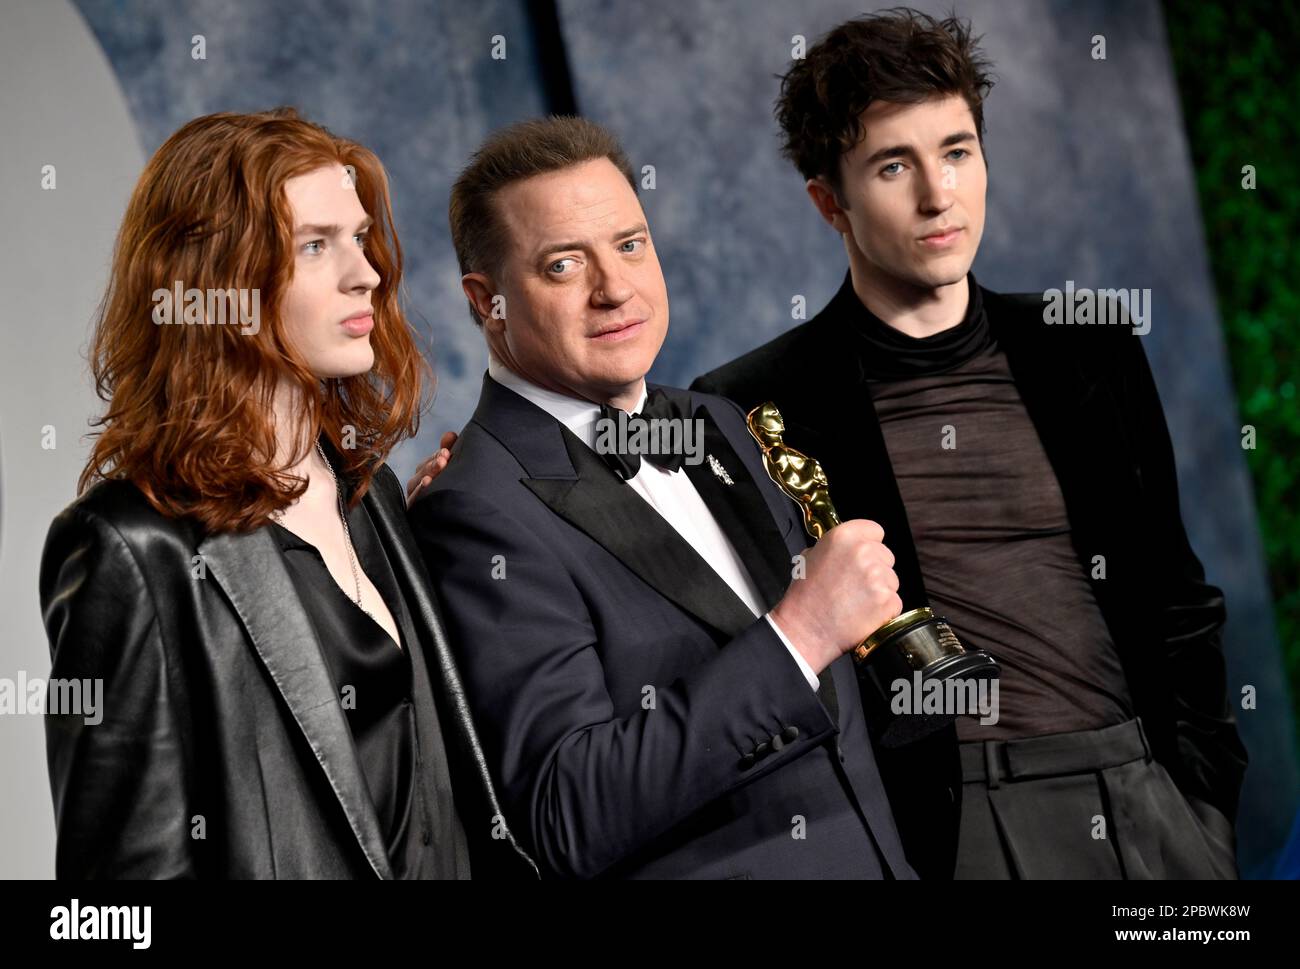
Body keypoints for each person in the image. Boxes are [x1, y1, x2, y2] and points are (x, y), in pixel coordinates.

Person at [691, 10, 1247, 879]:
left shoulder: (1091, 345)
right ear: (828, 201)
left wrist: (1205, 805)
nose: (937, 194)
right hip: (960, 825)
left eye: (956, 151)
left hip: (1149, 801)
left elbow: (1176, 598)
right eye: (892, 165)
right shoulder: (754, 404)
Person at [406, 116, 915, 879]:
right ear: (487, 303)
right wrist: (798, 637)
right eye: (563, 266)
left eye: (631, 244)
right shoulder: (475, 508)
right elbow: (564, 811)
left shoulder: (717, 420)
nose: (615, 289)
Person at [40, 107, 533, 879]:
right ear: (218, 283)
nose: (365, 271)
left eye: (360, 237)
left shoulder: (375, 500)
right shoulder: (130, 549)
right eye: (314, 245)